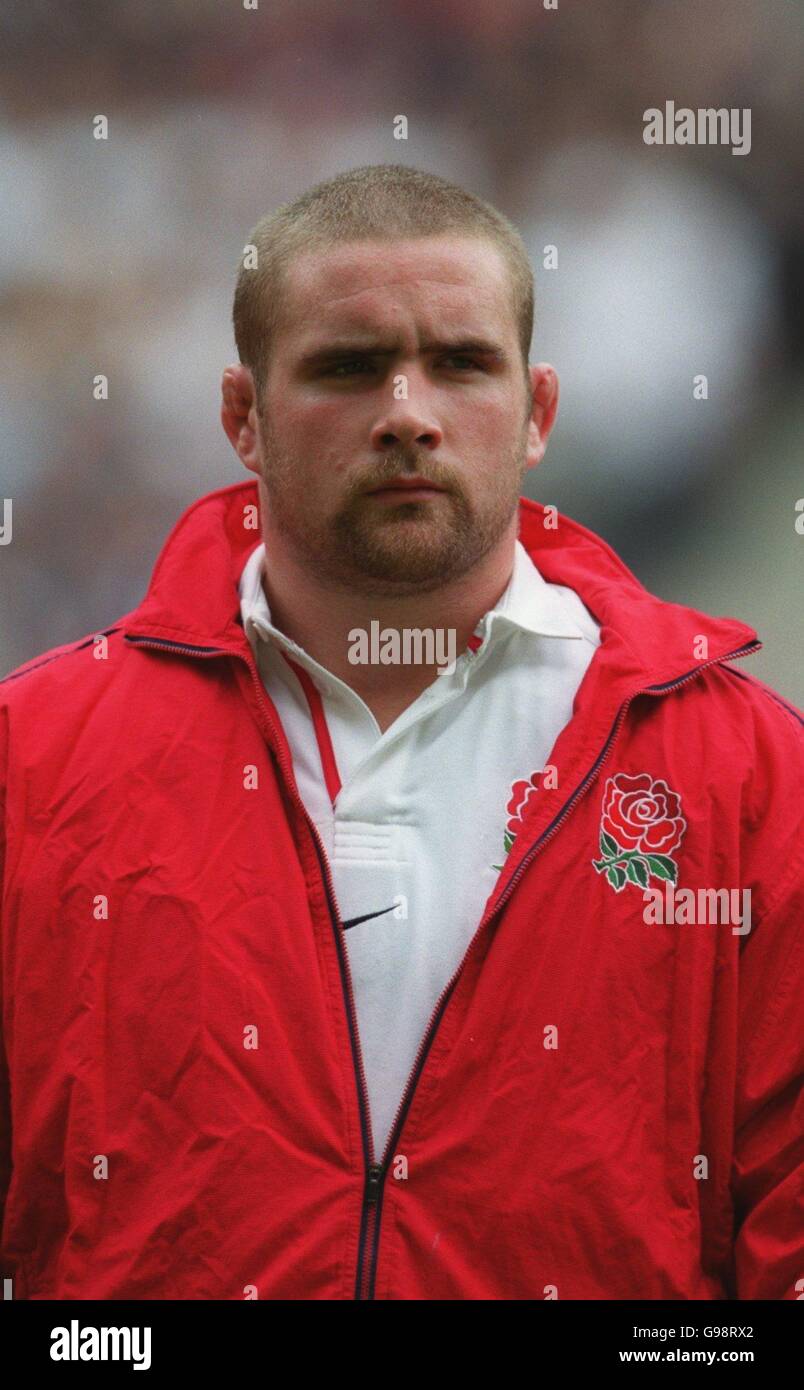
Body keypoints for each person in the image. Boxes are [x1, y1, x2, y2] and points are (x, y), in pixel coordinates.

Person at [0, 164, 801, 1301]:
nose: (409, 415)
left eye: (464, 363)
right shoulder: (34, 757)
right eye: (347, 367)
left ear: (538, 413)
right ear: (243, 418)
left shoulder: (749, 772)